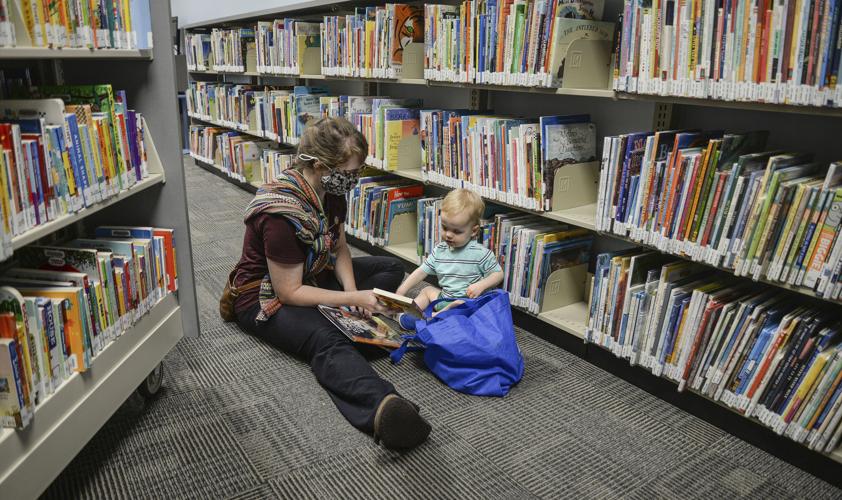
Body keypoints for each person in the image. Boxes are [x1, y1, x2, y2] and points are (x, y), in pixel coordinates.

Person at [232, 117, 431, 450]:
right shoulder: (281, 213)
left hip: (312, 272)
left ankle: (346, 329)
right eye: (350, 173)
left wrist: (351, 295)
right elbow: (288, 291)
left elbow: (338, 248)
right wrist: (351, 298)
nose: (354, 179)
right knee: (323, 340)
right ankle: (382, 407)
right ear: (321, 166)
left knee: (390, 268)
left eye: (358, 172)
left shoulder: (330, 190)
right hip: (264, 296)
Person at [394, 189, 504, 330]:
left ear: (474, 231)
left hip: (465, 304)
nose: (448, 235)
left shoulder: (480, 253)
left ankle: (431, 320)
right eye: (445, 228)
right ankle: (412, 314)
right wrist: (402, 290)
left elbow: (498, 274)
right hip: (444, 298)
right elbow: (421, 272)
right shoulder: (440, 250)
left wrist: (481, 285)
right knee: (427, 290)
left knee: (462, 306)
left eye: (457, 231)